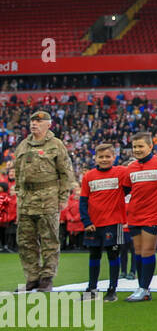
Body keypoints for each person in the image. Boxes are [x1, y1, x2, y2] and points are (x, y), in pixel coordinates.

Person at [12, 110, 76, 293]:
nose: (34, 124)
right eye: (32, 121)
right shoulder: (23, 145)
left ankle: (47, 278)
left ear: (49, 125)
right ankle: (32, 278)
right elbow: (18, 172)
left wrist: (63, 197)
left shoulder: (56, 144)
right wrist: (19, 194)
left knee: (49, 240)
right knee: (25, 241)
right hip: (26, 199)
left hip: (48, 198)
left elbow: (66, 173)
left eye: (39, 122)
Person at [119, 131, 157, 302]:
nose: (137, 149)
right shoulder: (131, 167)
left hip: (154, 214)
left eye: (141, 146)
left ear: (151, 146)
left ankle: (144, 288)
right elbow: (125, 191)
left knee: (147, 250)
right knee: (138, 251)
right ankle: (143, 288)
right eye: (134, 146)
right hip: (134, 214)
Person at [78, 142, 128, 301]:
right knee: (94, 256)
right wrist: (86, 222)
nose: (104, 159)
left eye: (108, 156)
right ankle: (91, 289)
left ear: (114, 157)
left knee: (113, 255)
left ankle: (112, 290)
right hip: (93, 224)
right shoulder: (88, 176)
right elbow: (83, 201)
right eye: (101, 157)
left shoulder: (121, 172)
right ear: (95, 158)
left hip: (113, 223)